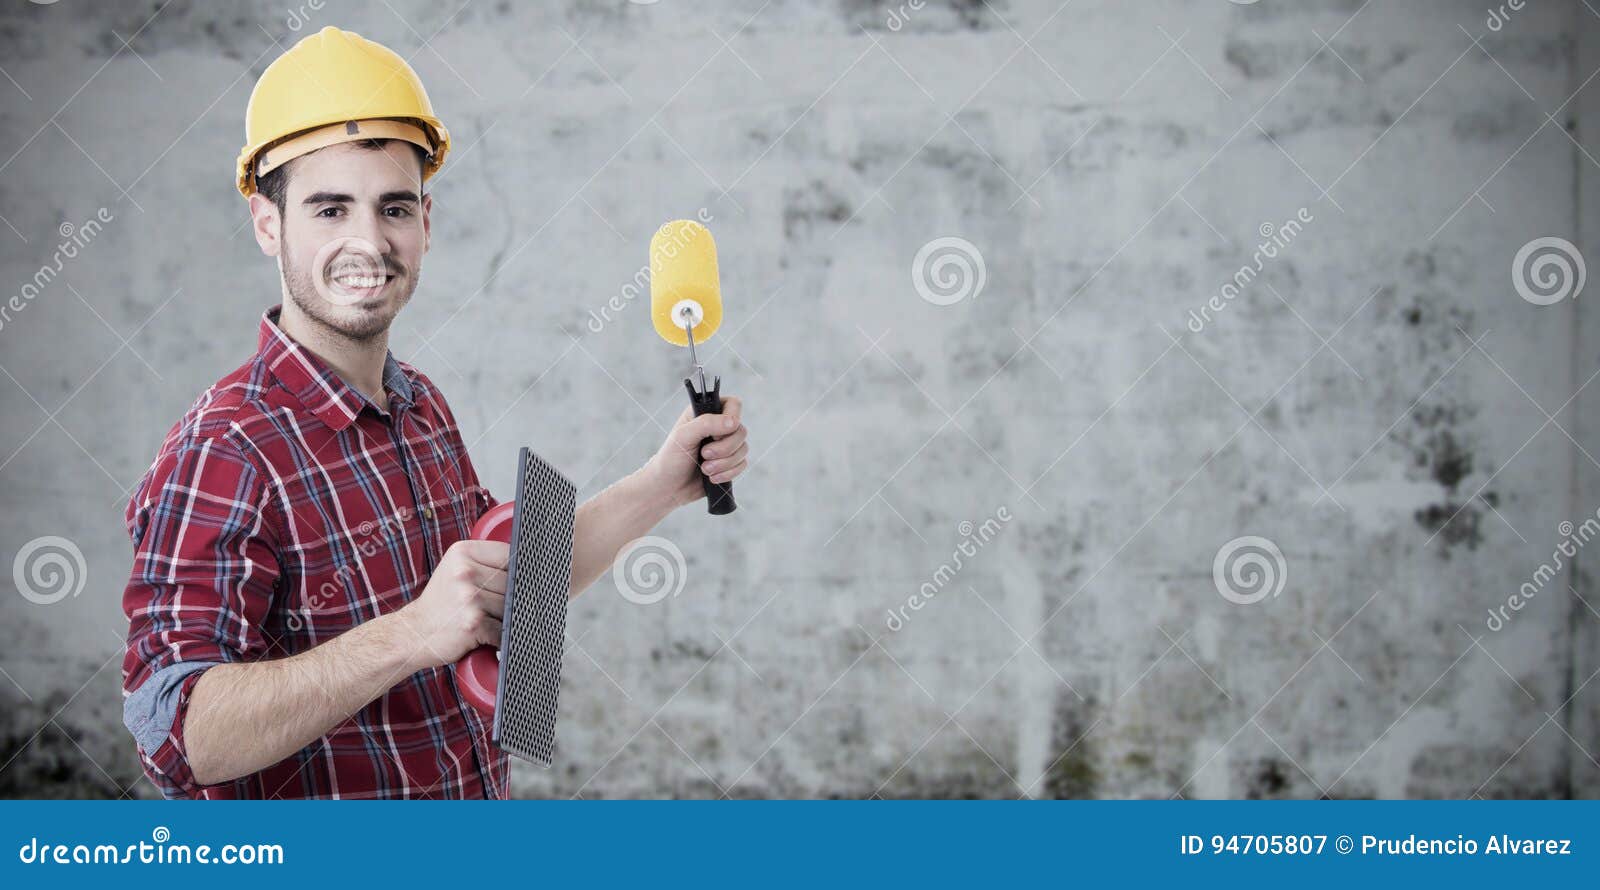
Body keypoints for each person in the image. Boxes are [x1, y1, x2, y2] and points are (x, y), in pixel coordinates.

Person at [118, 26, 749, 799]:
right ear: (267, 225)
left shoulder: (419, 407)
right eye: (328, 210)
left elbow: (510, 580)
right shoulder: (225, 449)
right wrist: (411, 635)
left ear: (426, 223)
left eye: (393, 208)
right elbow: (178, 739)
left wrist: (664, 482)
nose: (367, 241)